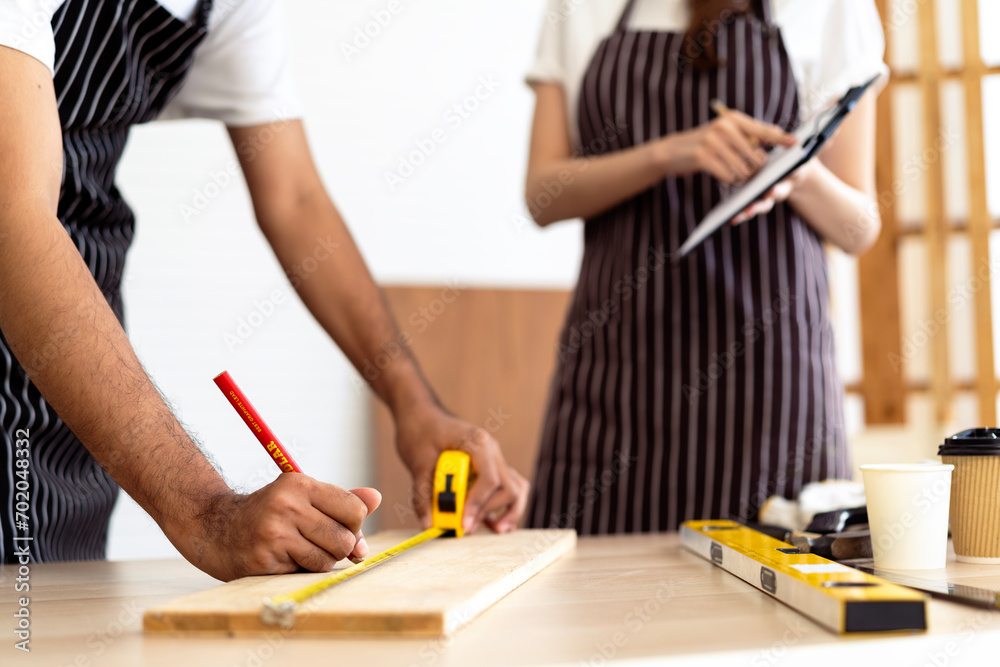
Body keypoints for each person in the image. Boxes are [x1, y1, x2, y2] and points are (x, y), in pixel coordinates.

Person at [0, 0, 528, 580]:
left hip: (74, 373)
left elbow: (295, 201)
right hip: (24, 290)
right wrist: (205, 513)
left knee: (50, 593)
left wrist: (415, 408)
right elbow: (12, 219)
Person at [524, 0, 886, 534]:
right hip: (616, 374)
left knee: (779, 577)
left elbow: (860, 228)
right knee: (587, 572)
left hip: (772, 382)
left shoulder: (832, 7)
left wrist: (795, 172)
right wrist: (668, 154)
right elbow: (542, 194)